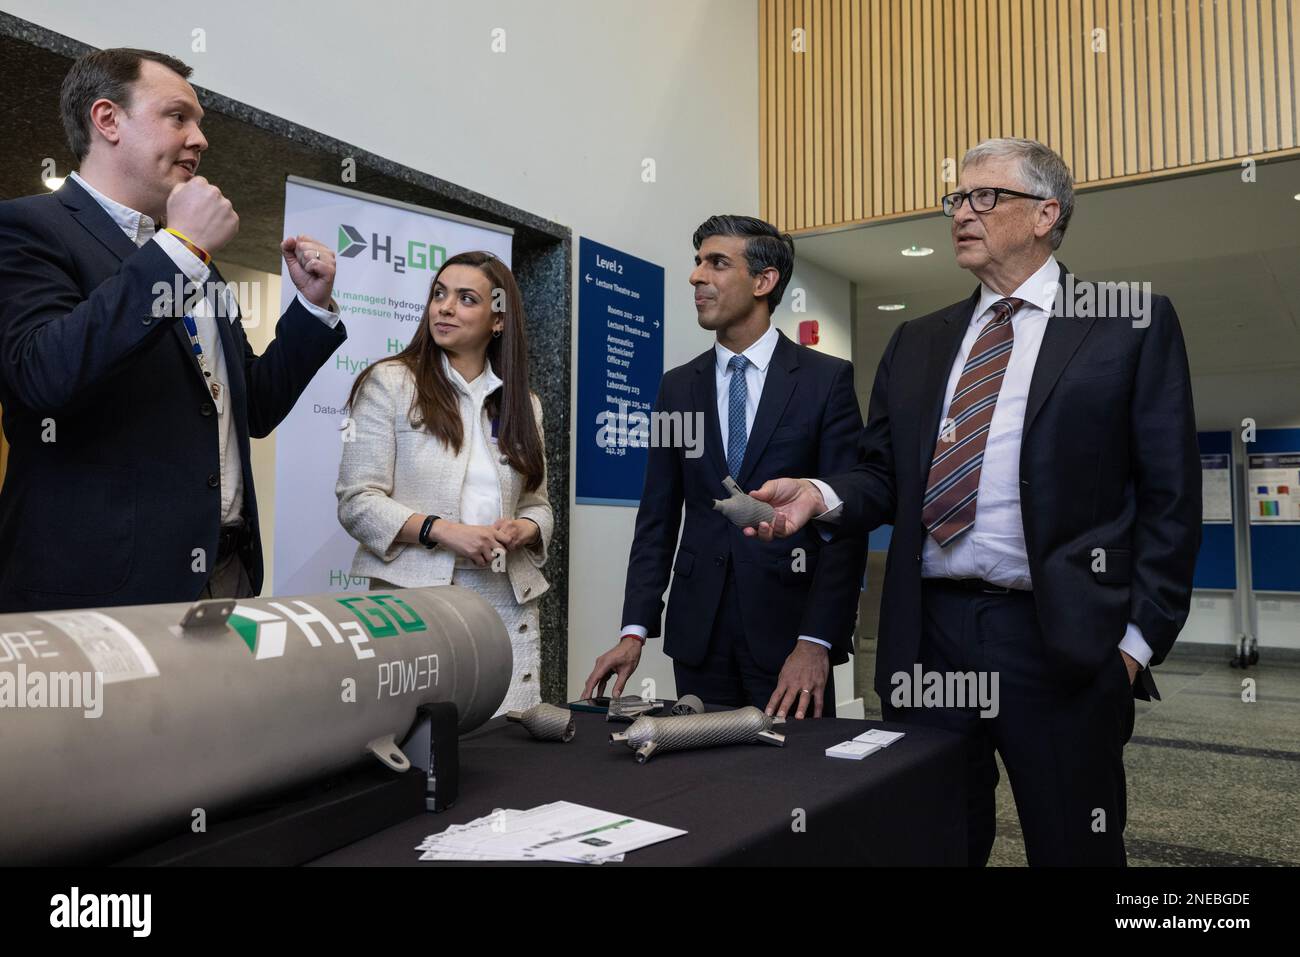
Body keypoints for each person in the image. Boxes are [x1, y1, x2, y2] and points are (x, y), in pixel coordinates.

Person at [749, 138, 1201, 864]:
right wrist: (822, 493)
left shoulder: (1129, 324)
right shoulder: (918, 342)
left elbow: (1171, 500)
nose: (962, 212)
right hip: (929, 634)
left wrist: (1132, 649)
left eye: (985, 196)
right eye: (956, 198)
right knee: (934, 841)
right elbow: (881, 477)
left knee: (1072, 846)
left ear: (1047, 213)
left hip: (1059, 643)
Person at [0, 48, 346, 611]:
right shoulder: (25, 227)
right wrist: (180, 248)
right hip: (100, 592)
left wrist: (309, 310)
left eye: (199, 123)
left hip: (225, 574)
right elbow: (42, 376)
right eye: (177, 116)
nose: (200, 139)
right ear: (107, 119)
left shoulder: (190, 259)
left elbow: (250, 408)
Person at [582, 215, 865, 719]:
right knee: (704, 787)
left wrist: (816, 640)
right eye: (697, 263)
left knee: (791, 784)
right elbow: (658, 516)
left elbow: (844, 525)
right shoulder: (678, 388)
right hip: (699, 639)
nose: (696, 276)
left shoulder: (825, 382)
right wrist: (635, 630)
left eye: (716, 263)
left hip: (789, 641)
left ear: (764, 281)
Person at [337, 251, 552, 714]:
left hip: (503, 596)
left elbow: (538, 504)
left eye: (465, 298)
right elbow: (357, 501)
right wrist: (444, 531)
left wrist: (526, 529)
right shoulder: (390, 383)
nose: (445, 307)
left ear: (498, 320)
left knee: (508, 755)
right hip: (416, 600)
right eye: (439, 294)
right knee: (423, 745)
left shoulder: (524, 404)